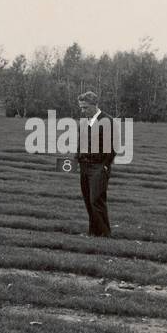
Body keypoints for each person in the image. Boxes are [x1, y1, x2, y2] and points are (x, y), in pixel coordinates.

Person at [75, 91, 115, 237]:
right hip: (84, 166)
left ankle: (105, 234)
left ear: (94, 105)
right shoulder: (84, 121)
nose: (82, 110)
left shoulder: (108, 121)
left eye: (85, 107)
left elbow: (113, 147)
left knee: (96, 200)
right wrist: (76, 159)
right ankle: (93, 233)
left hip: (99, 167)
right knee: (88, 200)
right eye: (81, 107)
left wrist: (105, 165)